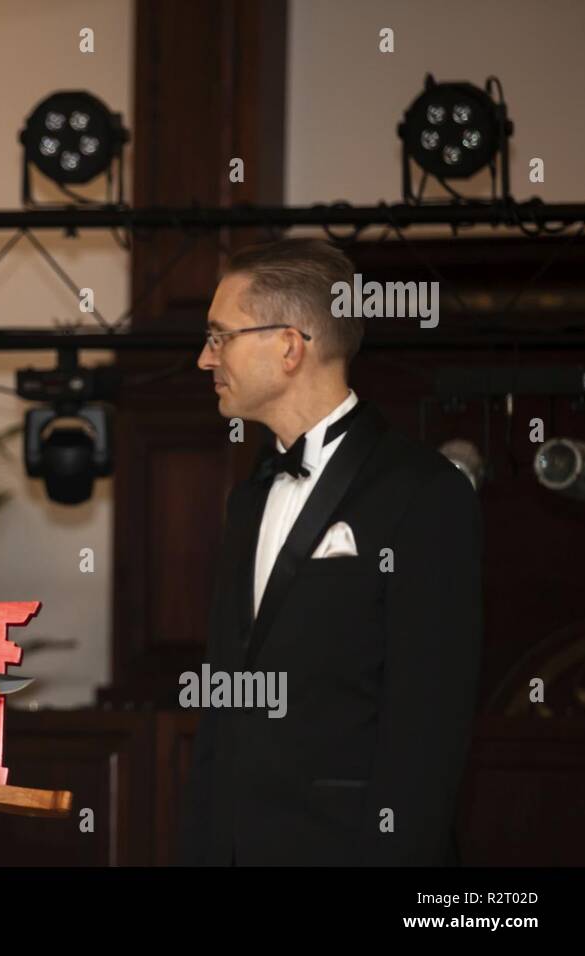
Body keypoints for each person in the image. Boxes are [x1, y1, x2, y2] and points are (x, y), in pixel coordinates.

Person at [179, 238, 483, 866]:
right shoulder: (247, 499)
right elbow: (222, 707)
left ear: (289, 346)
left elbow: (429, 729)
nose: (205, 358)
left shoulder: (423, 491)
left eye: (220, 336)